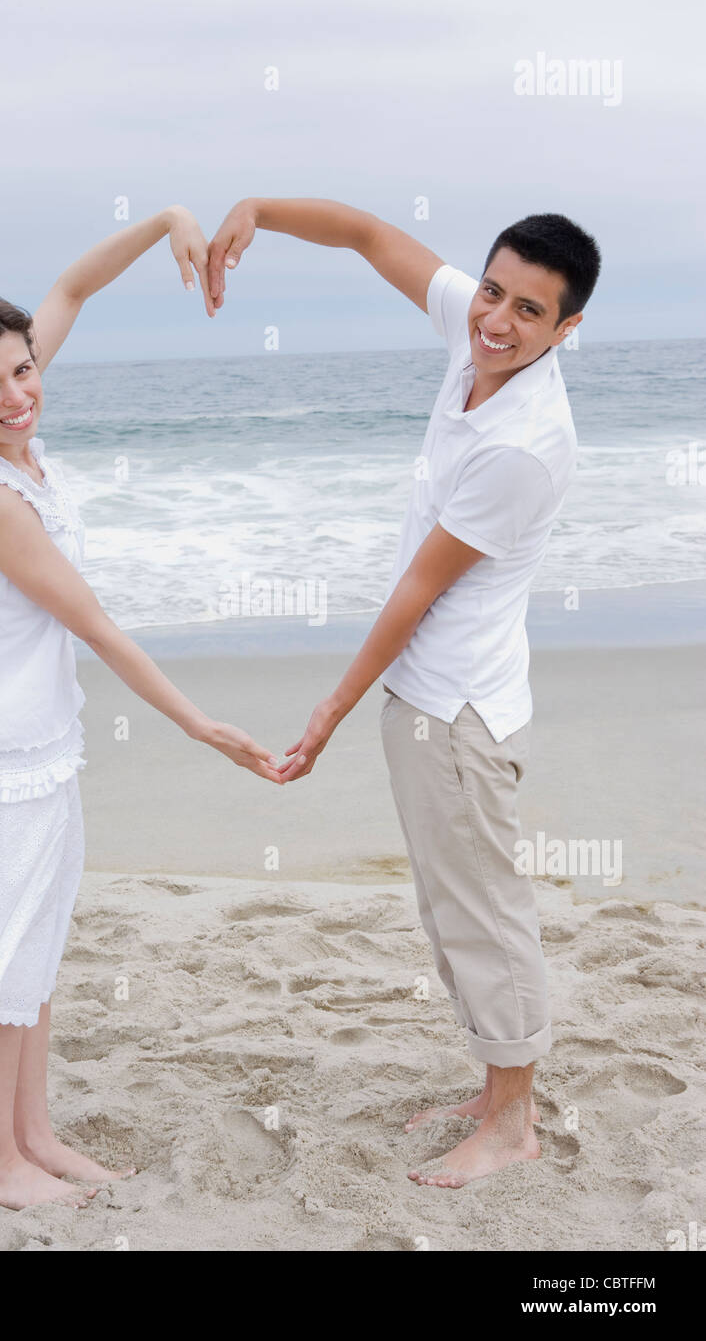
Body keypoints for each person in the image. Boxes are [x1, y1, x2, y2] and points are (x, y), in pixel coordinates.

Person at [0, 204, 283, 1212]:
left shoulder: (6, 423)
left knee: (33, 949)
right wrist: (199, 723)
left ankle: (32, 1134)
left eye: (23, 369)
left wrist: (165, 224)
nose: (18, 393)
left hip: (35, 744)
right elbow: (96, 625)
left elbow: (67, 291)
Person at [208, 199, 601, 1188]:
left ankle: (510, 1122)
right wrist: (259, 209)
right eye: (492, 291)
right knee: (449, 904)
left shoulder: (521, 442)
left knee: (480, 909)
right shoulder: (477, 337)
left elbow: (418, 591)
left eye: (527, 311)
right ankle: (493, 1085)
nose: (495, 320)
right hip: (432, 698)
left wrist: (328, 712)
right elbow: (371, 236)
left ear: (564, 331)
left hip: (455, 710)